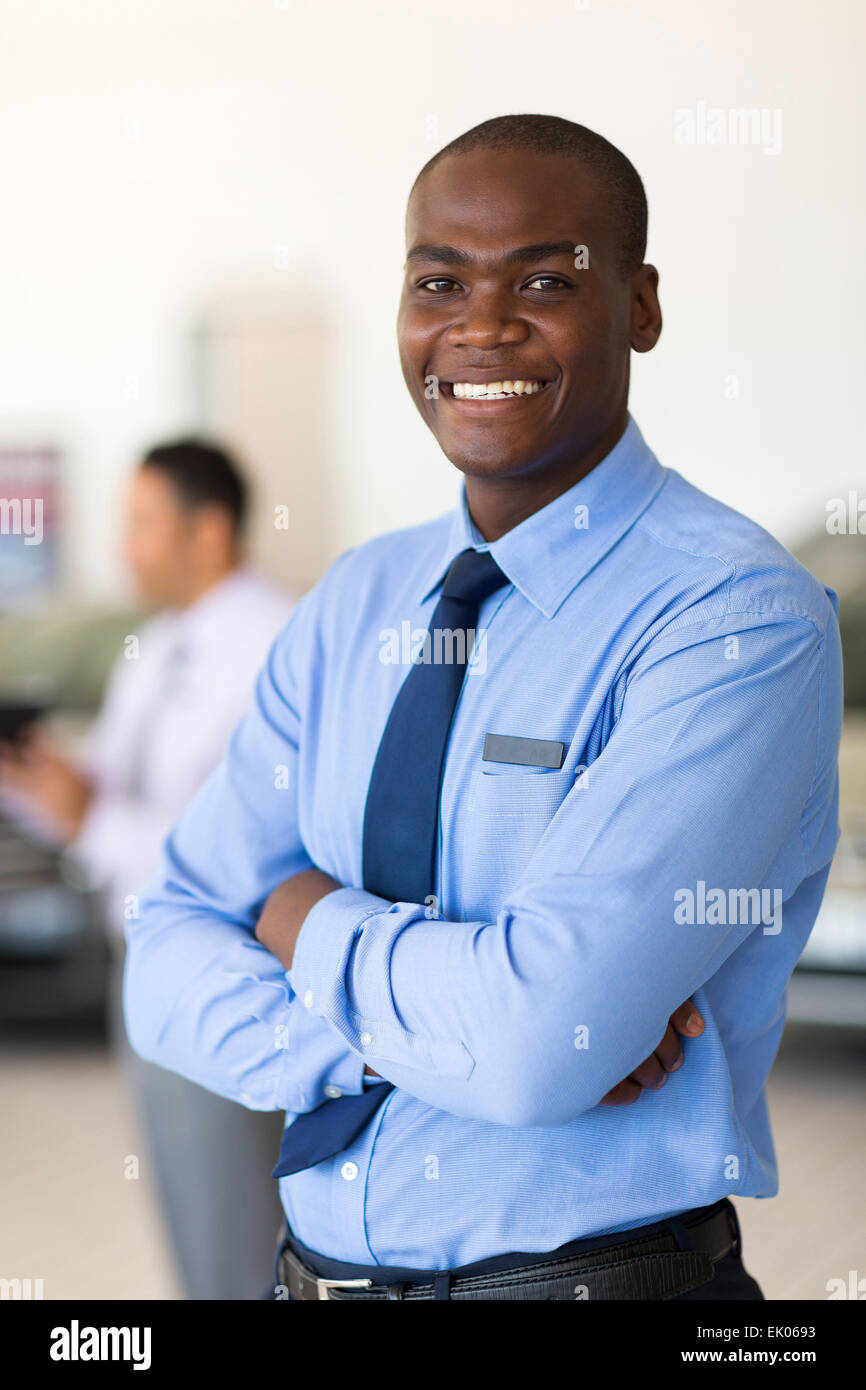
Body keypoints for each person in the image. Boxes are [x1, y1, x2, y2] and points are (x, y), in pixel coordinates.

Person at [124, 117, 842, 1301]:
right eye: (438, 280)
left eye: (545, 280)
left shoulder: (735, 620)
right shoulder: (357, 599)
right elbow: (163, 949)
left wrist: (303, 922)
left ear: (641, 307)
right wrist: (448, 1033)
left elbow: (524, 1042)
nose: (481, 325)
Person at [1, 438, 294, 1299]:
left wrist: (89, 815)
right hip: (148, 967)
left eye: (140, 525)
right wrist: (40, 779)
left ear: (207, 529)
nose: (123, 547)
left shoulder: (271, 642)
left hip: (224, 974)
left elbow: (251, 848)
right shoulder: (164, 641)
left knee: (234, 1231)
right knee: (189, 1222)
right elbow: (109, 782)